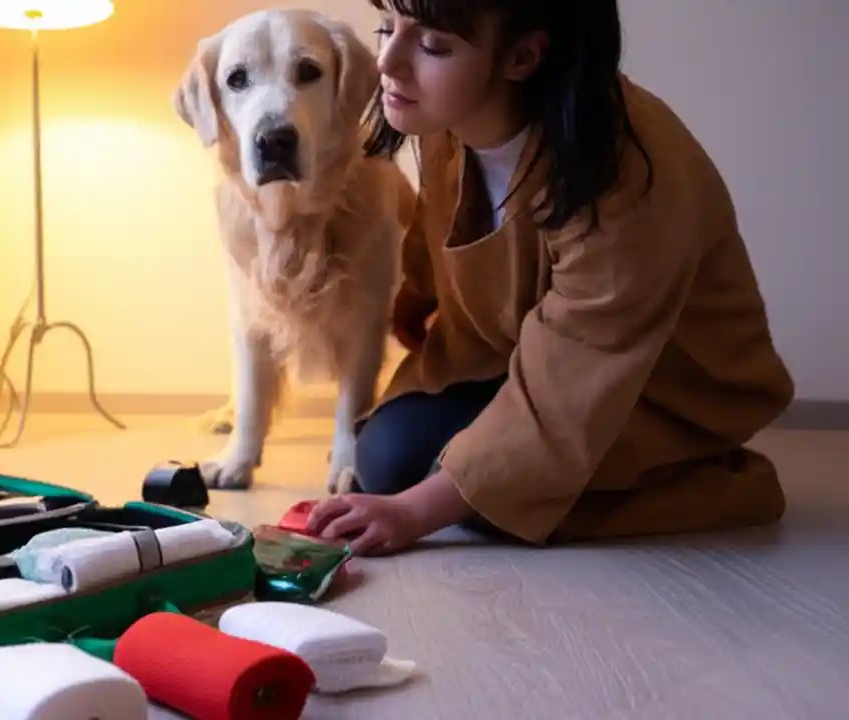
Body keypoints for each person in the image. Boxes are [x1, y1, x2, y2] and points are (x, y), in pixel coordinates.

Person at [306, 0, 794, 555]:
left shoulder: (625, 177)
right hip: (514, 355)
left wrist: (414, 515)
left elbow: (584, 360)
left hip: (646, 387)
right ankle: (501, 471)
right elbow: (435, 221)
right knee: (385, 457)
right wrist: (416, 295)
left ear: (522, 57)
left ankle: (719, 482)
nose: (387, 63)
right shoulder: (447, 113)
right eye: (386, 29)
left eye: (433, 45)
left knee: (500, 508)